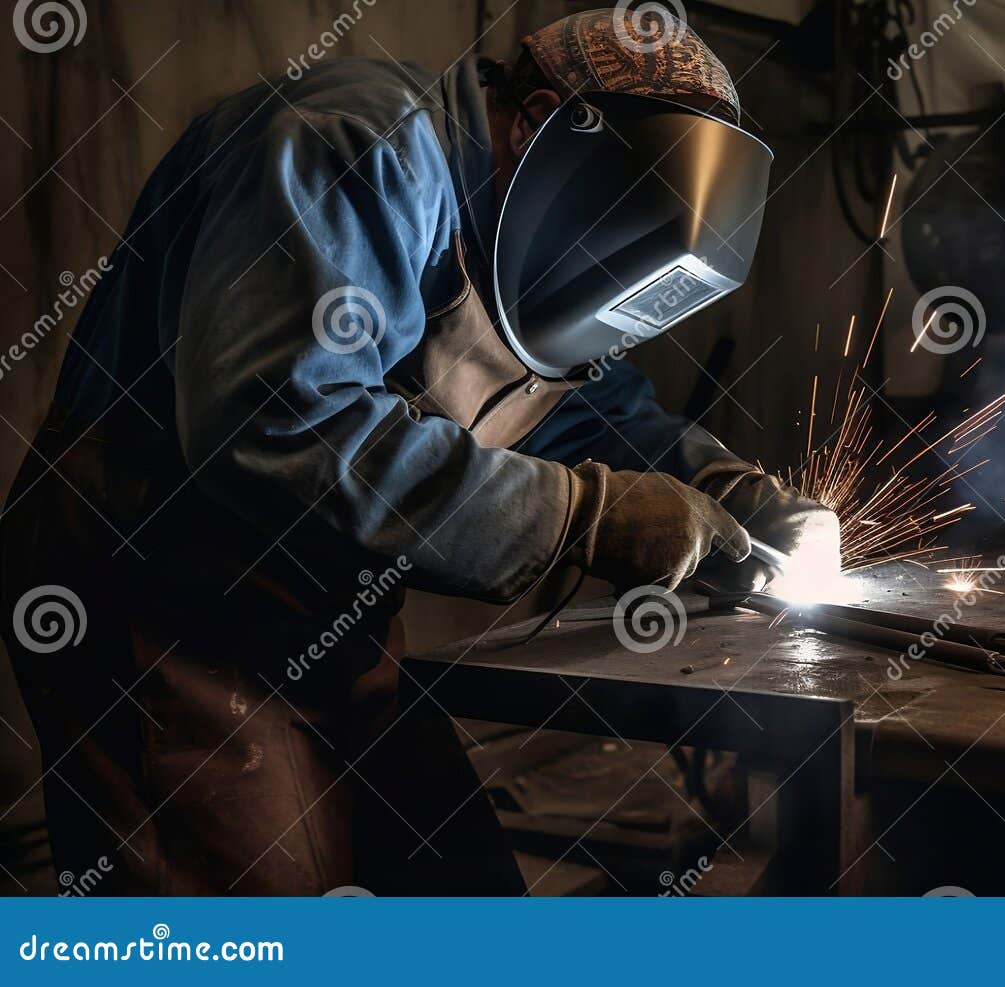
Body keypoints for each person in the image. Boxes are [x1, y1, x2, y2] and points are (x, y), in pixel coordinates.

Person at [0, 9, 838, 895]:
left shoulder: (522, 232)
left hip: (318, 608)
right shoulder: (357, 148)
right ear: (538, 121)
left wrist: (716, 481)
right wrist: (583, 515)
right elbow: (278, 426)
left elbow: (575, 410)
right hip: (160, 585)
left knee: (462, 893)